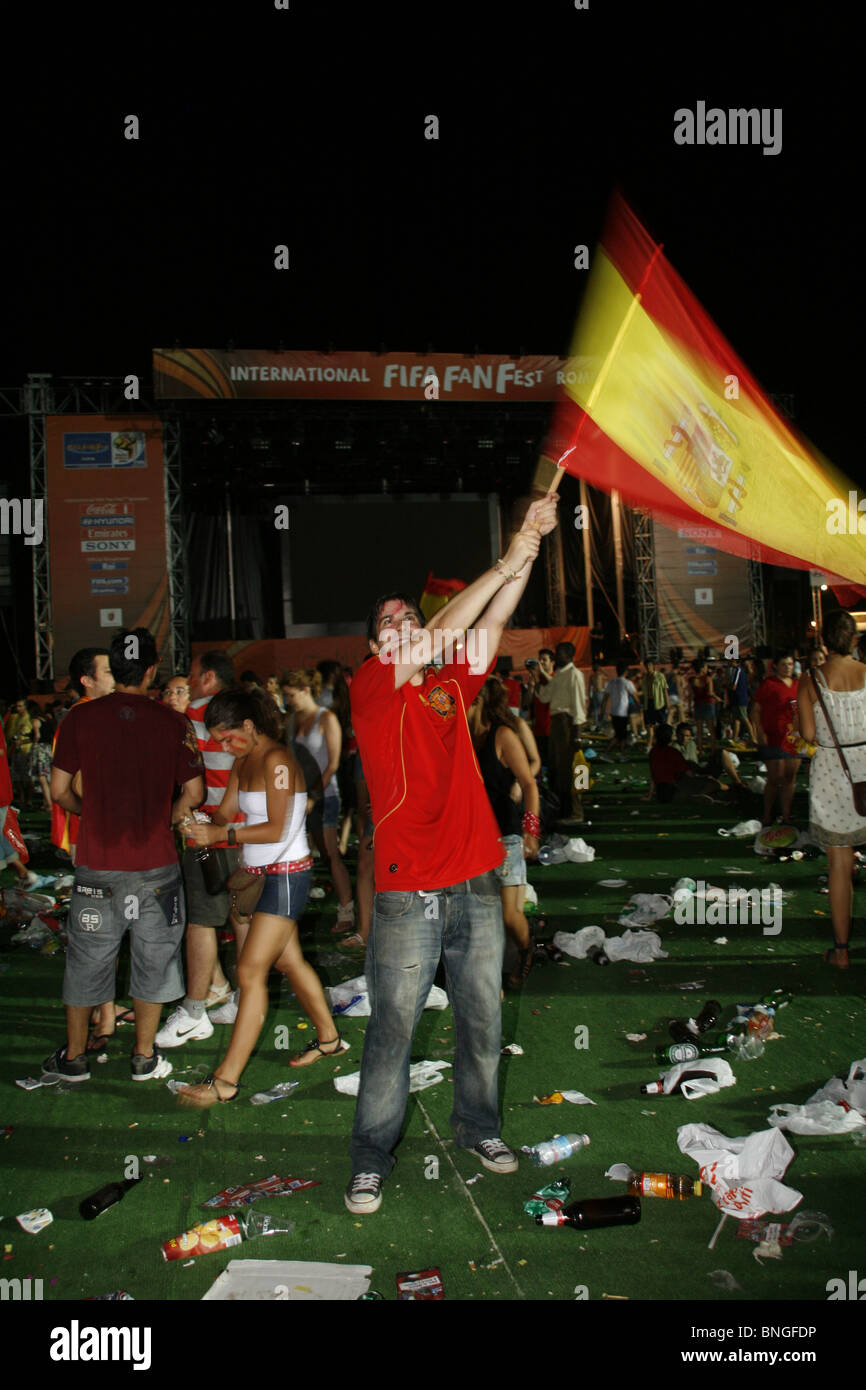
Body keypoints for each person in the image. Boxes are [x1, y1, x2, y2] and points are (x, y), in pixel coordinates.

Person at [345, 492, 559, 1216]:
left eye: (410, 615)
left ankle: (479, 1127)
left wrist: (526, 550)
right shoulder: (373, 687)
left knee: (483, 1019)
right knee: (393, 1031)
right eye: (391, 622)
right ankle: (371, 1157)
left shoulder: (445, 685)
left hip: (473, 876)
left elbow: (492, 621)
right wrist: (502, 560)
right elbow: (441, 632)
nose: (405, 625)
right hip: (408, 892)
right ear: (377, 645)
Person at [44, 628, 204, 1084]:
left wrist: (89, 813)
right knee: (154, 956)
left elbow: (59, 791)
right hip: (156, 864)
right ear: (152, 670)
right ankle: (143, 1056)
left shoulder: (79, 719)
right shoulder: (174, 723)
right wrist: (169, 815)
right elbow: (194, 792)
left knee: (88, 958)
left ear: (114, 669)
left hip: (98, 861)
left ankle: (74, 1059)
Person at [177, 688, 343, 1106]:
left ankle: (225, 1082)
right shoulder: (242, 760)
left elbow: (274, 828)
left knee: (250, 972)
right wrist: (197, 826)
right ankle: (329, 1038)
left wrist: (220, 834)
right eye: (217, 739)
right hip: (257, 876)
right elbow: (222, 815)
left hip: (287, 877)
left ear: (249, 726)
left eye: (228, 737)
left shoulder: (278, 760)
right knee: (289, 961)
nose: (223, 746)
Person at [157, 649, 246, 1047]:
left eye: (192, 677)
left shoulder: (194, 714)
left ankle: (195, 1009)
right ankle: (239, 996)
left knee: (202, 918)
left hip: (209, 825)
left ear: (208, 677)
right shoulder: (250, 710)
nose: (188, 685)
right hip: (250, 830)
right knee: (241, 917)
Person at [797, 609, 866, 969]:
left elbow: (808, 735)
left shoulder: (811, 679)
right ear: (854, 639)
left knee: (841, 865)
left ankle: (841, 951)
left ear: (823, 640)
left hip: (833, 775)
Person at [468, 677, 540, 990]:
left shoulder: (503, 735)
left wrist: (531, 830)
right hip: (471, 839)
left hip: (506, 836)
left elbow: (529, 783)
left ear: (479, 700)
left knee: (510, 915)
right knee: (478, 916)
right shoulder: (460, 738)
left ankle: (527, 952)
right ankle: (486, 977)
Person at [284, 668, 354, 931]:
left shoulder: (326, 719)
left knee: (330, 854)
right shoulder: (291, 720)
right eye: (286, 696)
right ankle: (298, 908)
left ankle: (346, 909)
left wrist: (312, 795)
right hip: (299, 797)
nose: (288, 701)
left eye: (291, 695)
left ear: (305, 691)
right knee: (302, 855)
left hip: (324, 796)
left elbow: (333, 763)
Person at [532, 641, 586, 820]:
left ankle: (575, 811)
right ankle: (562, 809)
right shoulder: (558, 676)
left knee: (569, 769)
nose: (558, 655)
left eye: (561, 653)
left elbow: (579, 704)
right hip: (556, 724)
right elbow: (544, 696)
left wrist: (577, 733)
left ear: (570, 656)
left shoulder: (574, 674)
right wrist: (537, 677)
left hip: (567, 723)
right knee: (556, 770)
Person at [753, 652, 802, 828]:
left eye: (790, 664)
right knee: (775, 778)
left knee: (790, 777)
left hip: (794, 738)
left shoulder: (798, 684)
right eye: (784, 664)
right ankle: (767, 816)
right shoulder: (769, 684)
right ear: (776, 666)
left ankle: (787, 815)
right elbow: (756, 709)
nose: (788, 667)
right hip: (773, 736)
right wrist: (759, 731)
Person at [601, 661, 637, 757]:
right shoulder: (627, 683)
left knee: (620, 734)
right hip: (623, 712)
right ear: (626, 671)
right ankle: (608, 753)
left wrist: (602, 711)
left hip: (614, 712)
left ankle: (622, 754)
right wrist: (640, 705)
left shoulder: (611, 683)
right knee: (620, 735)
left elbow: (605, 698)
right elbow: (634, 696)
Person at [690, 657, 718, 756]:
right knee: (711, 729)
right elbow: (710, 692)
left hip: (697, 704)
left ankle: (700, 750)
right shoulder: (707, 678)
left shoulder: (693, 680)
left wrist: (690, 707)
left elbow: (691, 695)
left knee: (699, 730)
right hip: (708, 704)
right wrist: (717, 698)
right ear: (702, 668)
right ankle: (713, 750)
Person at [641, 659, 670, 748]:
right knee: (649, 724)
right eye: (647, 666)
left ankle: (665, 744)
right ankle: (649, 745)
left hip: (659, 703)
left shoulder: (660, 676)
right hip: (648, 703)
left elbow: (665, 690)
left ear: (653, 666)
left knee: (662, 725)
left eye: (650, 665)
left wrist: (667, 704)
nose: (648, 667)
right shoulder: (645, 677)